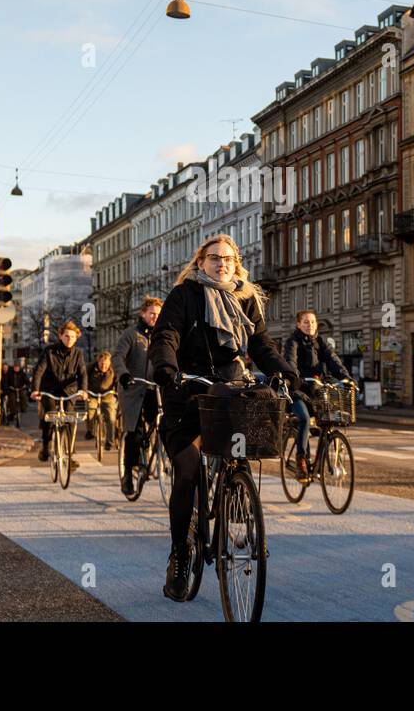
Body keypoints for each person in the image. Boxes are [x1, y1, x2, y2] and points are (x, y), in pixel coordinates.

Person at [149, 234, 297, 602]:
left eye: (228, 259)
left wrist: (286, 371)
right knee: (185, 468)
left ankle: (237, 497)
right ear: (201, 262)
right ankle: (181, 554)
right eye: (215, 258)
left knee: (241, 448)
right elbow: (165, 335)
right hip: (187, 386)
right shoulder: (185, 295)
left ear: (236, 263)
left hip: (229, 388)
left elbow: (262, 346)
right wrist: (167, 366)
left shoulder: (246, 299)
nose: (222, 264)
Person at [282, 310, 350, 482]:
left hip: (316, 390)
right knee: (304, 419)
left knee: (329, 419)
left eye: (312, 322)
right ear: (298, 324)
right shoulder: (292, 342)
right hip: (298, 391)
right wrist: (295, 378)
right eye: (305, 322)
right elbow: (290, 362)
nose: (310, 325)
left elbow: (333, 360)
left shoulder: (320, 342)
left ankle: (321, 460)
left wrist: (346, 378)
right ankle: (301, 460)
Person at [113, 296, 163, 497]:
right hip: (133, 390)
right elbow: (117, 357)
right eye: (152, 313)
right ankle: (127, 476)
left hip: (154, 389)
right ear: (143, 313)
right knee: (134, 433)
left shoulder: (162, 336)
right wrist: (123, 375)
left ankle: (161, 458)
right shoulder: (131, 335)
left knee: (164, 423)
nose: (155, 318)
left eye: (158, 315)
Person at [31, 321, 88, 464]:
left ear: (76, 338)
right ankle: (45, 446)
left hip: (69, 390)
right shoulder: (49, 351)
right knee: (49, 416)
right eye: (67, 336)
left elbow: (82, 373)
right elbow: (38, 371)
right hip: (49, 389)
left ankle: (68, 453)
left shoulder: (78, 354)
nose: (70, 340)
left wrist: (83, 391)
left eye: (73, 337)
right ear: (61, 336)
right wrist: (35, 390)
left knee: (70, 418)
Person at [85, 351, 118, 449]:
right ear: (98, 362)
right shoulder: (90, 368)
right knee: (90, 410)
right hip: (93, 395)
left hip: (108, 396)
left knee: (111, 417)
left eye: (106, 364)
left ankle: (110, 441)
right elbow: (84, 380)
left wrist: (117, 391)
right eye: (102, 363)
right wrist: (84, 391)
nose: (104, 366)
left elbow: (118, 382)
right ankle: (90, 430)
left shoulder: (113, 370)